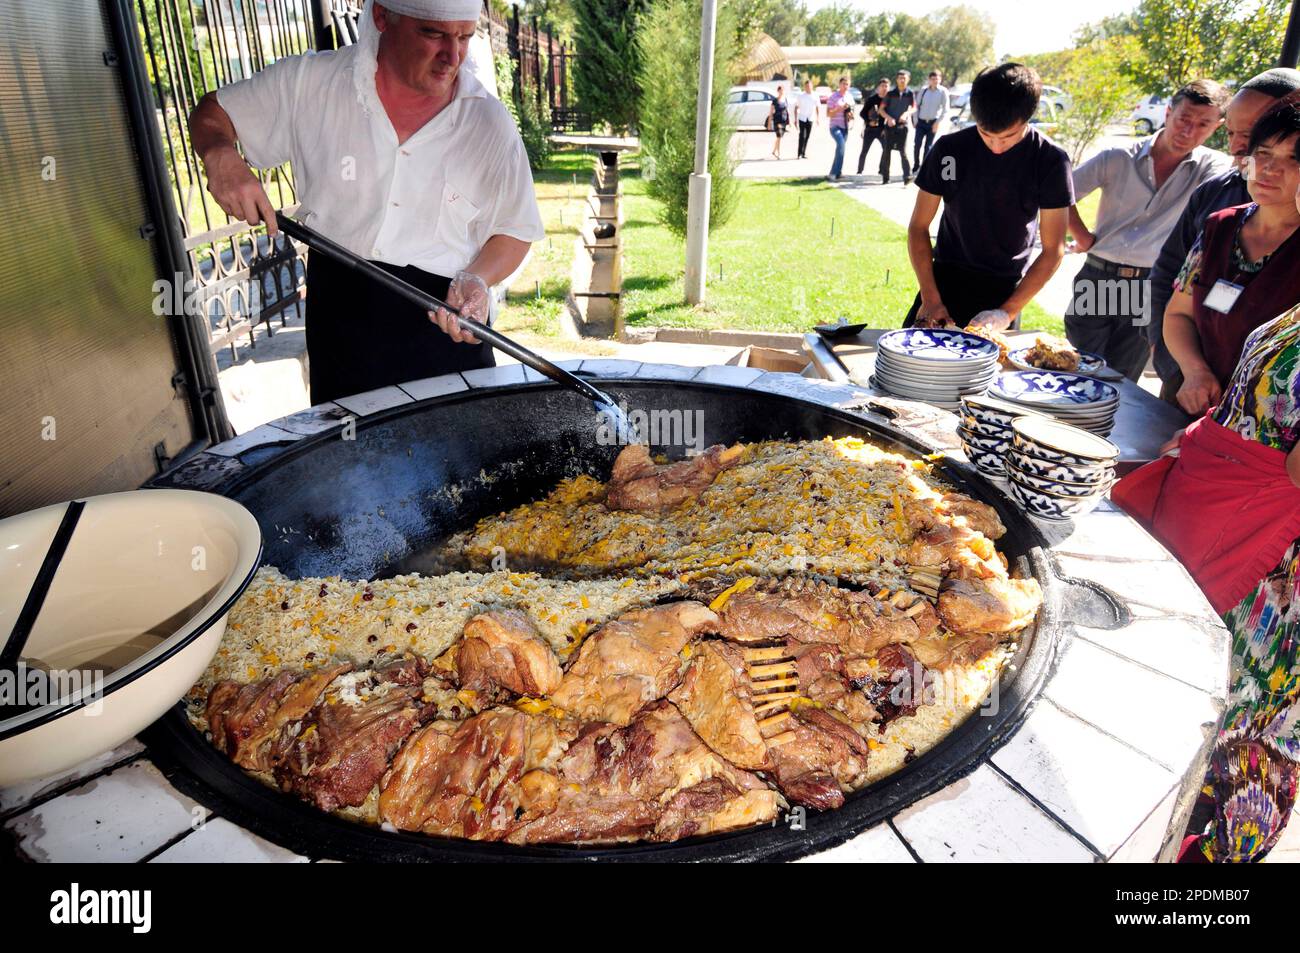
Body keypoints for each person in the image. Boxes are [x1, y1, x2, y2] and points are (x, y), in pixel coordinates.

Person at [188, 0, 544, 405]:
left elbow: (514, 229)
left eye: (464, 37)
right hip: (343, 325)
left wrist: (478, 279)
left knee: (464, 465)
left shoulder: (488, 122)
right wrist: (221, 156)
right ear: (382, 16)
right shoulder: (312, 83)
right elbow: (212, 112)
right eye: (433, 34)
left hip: (445, 329)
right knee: (348, 462)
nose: (452, 56)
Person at [1110, 180, 1300, 864]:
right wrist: (1215, 434)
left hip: (1278, 573)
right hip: (1235, 529)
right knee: (1199, 708)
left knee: (1251, 744)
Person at [1148, 68, 1300, 403]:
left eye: (1291, 156)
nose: (1237, 147)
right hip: (1190, 396)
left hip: (1262, 433)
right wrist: (1181, 369)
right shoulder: (1219, 217)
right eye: (1262, 151)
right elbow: (1171, 290)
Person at [1063, 79, 1231, 382]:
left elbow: (1244, 187)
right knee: (1076, 371)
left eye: (1203, 124)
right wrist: (1083, 237)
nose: (1189, 131)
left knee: (1122, 381)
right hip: (1100, 275)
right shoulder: (1118, 155)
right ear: (1167, 112)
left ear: (1217, 127)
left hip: (1148, 285)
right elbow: (1060, 196)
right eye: (1184, 119)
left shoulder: (1213, 169)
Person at [904, 63, 1072, 330]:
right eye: (986, 134)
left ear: (1028, 117)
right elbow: (918, 226)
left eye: (1008, 137)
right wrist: (931, 297)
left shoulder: (1050, 161)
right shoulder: (949, 151)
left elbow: (1053, 250)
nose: (996, 146)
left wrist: (1007, 313)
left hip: (1004, 292)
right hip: (942, 284)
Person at [879, 69, 916, 185]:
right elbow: (881, 110)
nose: (902, 80)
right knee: (886, 151)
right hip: (890, 127)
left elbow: (914, 108)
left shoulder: (910, 94)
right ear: (897, 79)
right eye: (900, 78)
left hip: (902, 127)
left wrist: (906, 114)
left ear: (908, 80)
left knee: (903, 152)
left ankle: (907, 177)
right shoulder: (890, 94)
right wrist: (889, 118)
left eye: (904, 78)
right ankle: (885, 177)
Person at [912, 70, 949, 169]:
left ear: (940, 79)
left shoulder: (943, 91)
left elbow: (946, 109)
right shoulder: (924, 90)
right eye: (933, 79)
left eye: (937, 79)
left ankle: (924, 167)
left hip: (933, 123)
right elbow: (916, 106)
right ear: (929, 80)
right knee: (917, 144)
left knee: (928, 147)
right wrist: (915, 120)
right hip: (921, 122)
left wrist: (937, 123)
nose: (935, 81)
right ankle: (916, 164)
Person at [857, 78, 890, 175]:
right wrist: (868, 121)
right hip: (870, 129)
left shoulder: (889, 101)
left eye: (886, 86)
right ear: (878, 88)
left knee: (886, 149)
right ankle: (859, 171)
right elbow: (862, 113)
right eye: (882, 86)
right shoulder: (871, 99)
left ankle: (881, 170)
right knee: (864, 150)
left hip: (882, 129)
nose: (884, 88)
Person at [826, 76, 854, 181]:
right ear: (839, 84)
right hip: (835, 127)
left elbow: (851, 111)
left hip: (845, 127)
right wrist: (839, 108)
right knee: (841, 145)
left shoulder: (850, 97)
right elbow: (828, 114)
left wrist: (850, 115)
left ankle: (838, 172)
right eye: (844, 84)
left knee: (840, 149)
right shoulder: (833, 97)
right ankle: (833, 173)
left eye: (847, 84)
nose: (845, 86)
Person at [795, 80, 819, 160]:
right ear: (804, 87)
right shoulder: (801, 96)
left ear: (812, 86)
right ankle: (799, 154)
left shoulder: (815, 95)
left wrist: (818, 118)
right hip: (802, 118)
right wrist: (795, 119)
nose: (808, 88)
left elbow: (817, 107)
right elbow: (796, 107)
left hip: (810, 118)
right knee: (802, 136)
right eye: (806, 86)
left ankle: (803, 153)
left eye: (809, 86)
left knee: (807, 136)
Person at [768, 85, 790, 159]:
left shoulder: (785, 99)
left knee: (779, 137)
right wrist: (769, 124)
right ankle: (778, 154)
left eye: (782, 91)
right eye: (780, 91)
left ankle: (774, 151)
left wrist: (789, 122)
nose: (781, 92)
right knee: (779, 136)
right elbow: (771, 113)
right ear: (778, 91)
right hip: (777, 121)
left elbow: (787, 111)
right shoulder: (775, 101)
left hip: (783, 120)